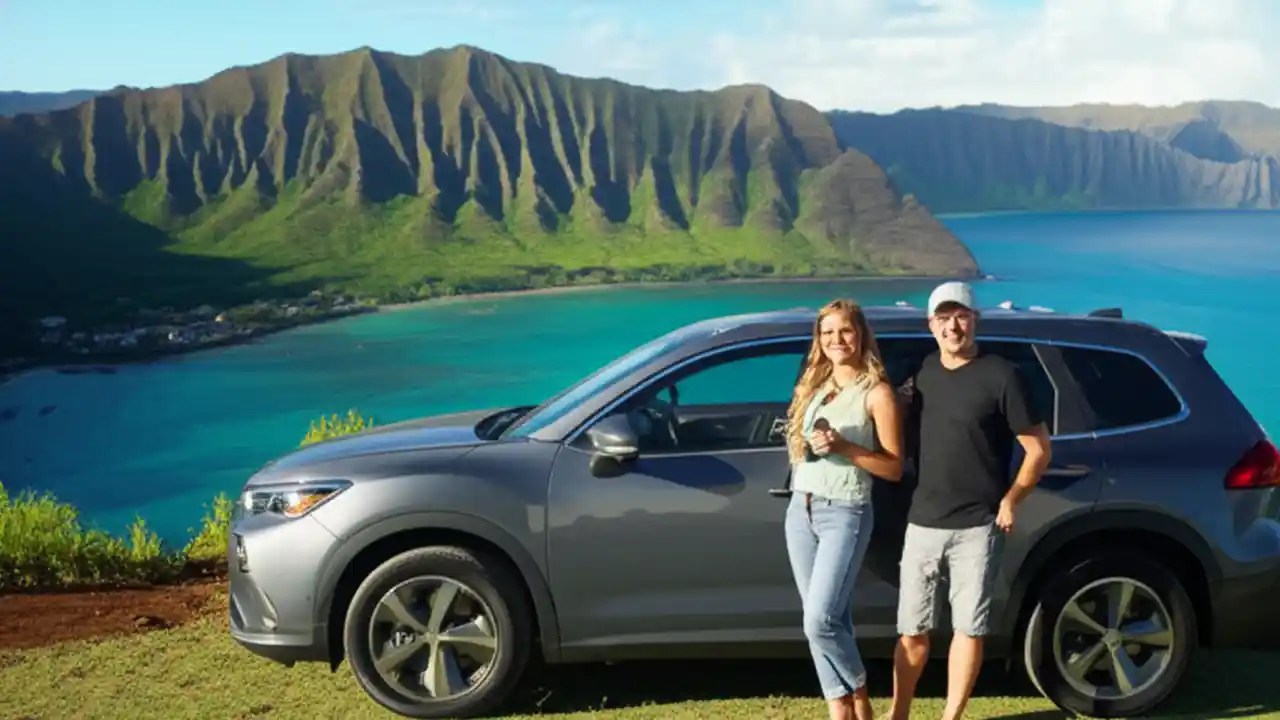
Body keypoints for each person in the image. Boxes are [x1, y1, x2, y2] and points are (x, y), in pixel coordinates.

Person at [889, 282, 1052, 720]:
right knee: (911, 631)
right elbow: (888, 419)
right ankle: (898, 713)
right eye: (943, 318)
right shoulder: (921, 375)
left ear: (975, 319)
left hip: (978, 526)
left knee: (968, 629)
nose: (952, 326)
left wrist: (1012, 499)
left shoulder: (1001, 375)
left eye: (960, 316)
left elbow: (1038, 448)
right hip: (922, 522)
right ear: (931, 325)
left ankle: (951, 716)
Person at [784, 298, 904, 720]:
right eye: (828, 332)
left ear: (861, 336)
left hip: (845, 511)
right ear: (819, 339)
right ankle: (841, 710)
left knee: (818, 621)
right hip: (802, 510)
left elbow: (893, 466)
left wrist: (845, 447)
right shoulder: (814, 386)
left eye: (845, 331)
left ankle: (859, 697)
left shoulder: (877, 394)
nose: (837, 340)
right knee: (831, 619)